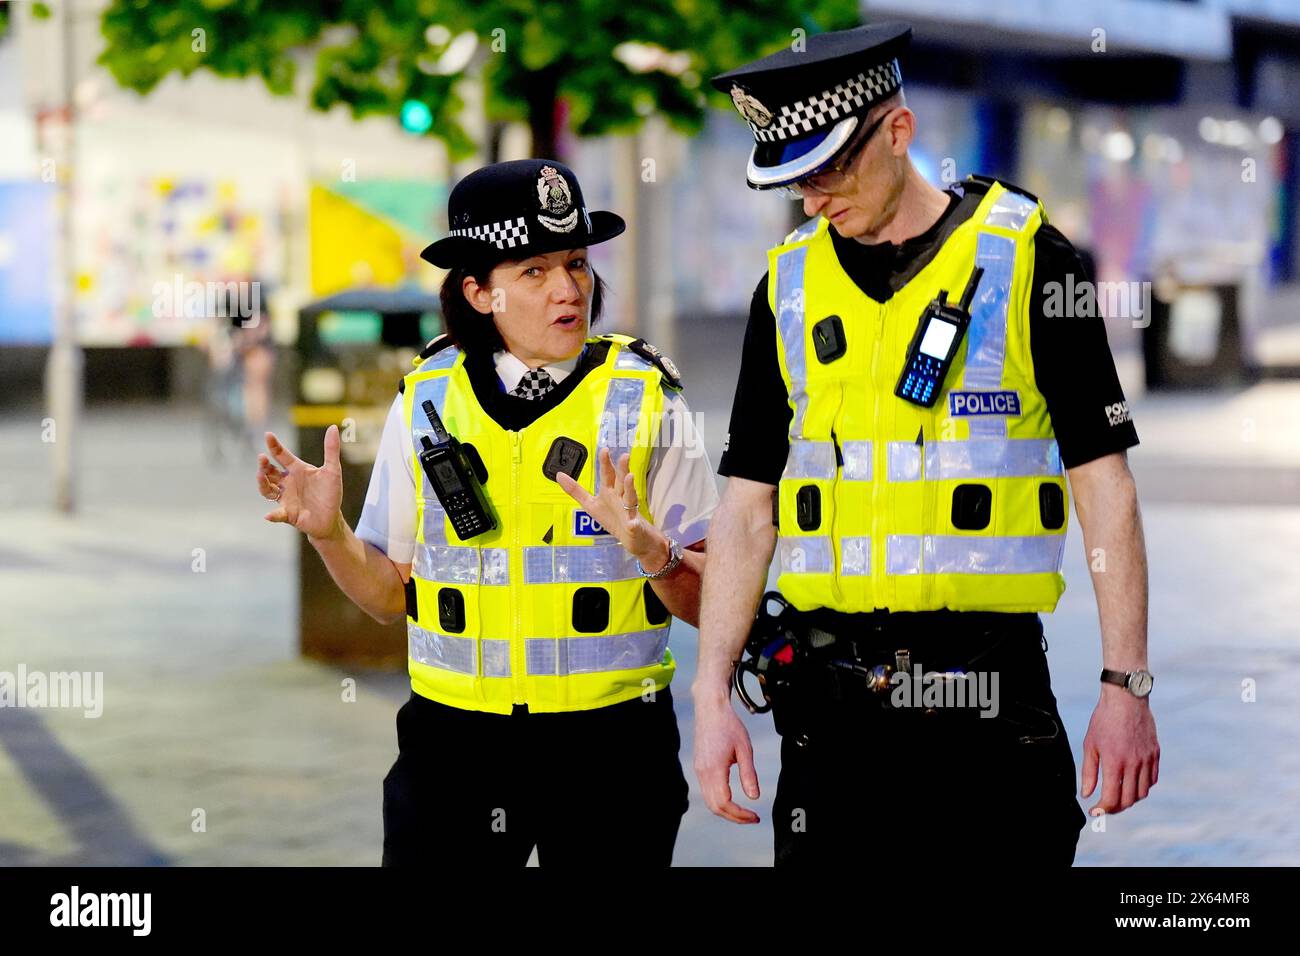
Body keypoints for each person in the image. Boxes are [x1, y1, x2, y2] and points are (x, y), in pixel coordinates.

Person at [693, 21, 1160, 866]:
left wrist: (1126, 685)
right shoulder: (789, 288)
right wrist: (711, 692)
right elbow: (747, 503)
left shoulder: (1031, 262)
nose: (812, 198)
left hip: (986, 696)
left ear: (898, 131)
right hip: (827, 707)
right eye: (794, 180)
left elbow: (1104, 484)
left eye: (829, 168)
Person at [255, 159, 718, 866]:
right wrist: (331, 535)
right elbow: (389, 596)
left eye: (576, 263)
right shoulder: (427, 398)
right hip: (453, 750)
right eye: (533, 271)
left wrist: (657, 556)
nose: (569, 290)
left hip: (611, 750)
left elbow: (719, 602)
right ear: (478, 291)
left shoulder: (648, 399)